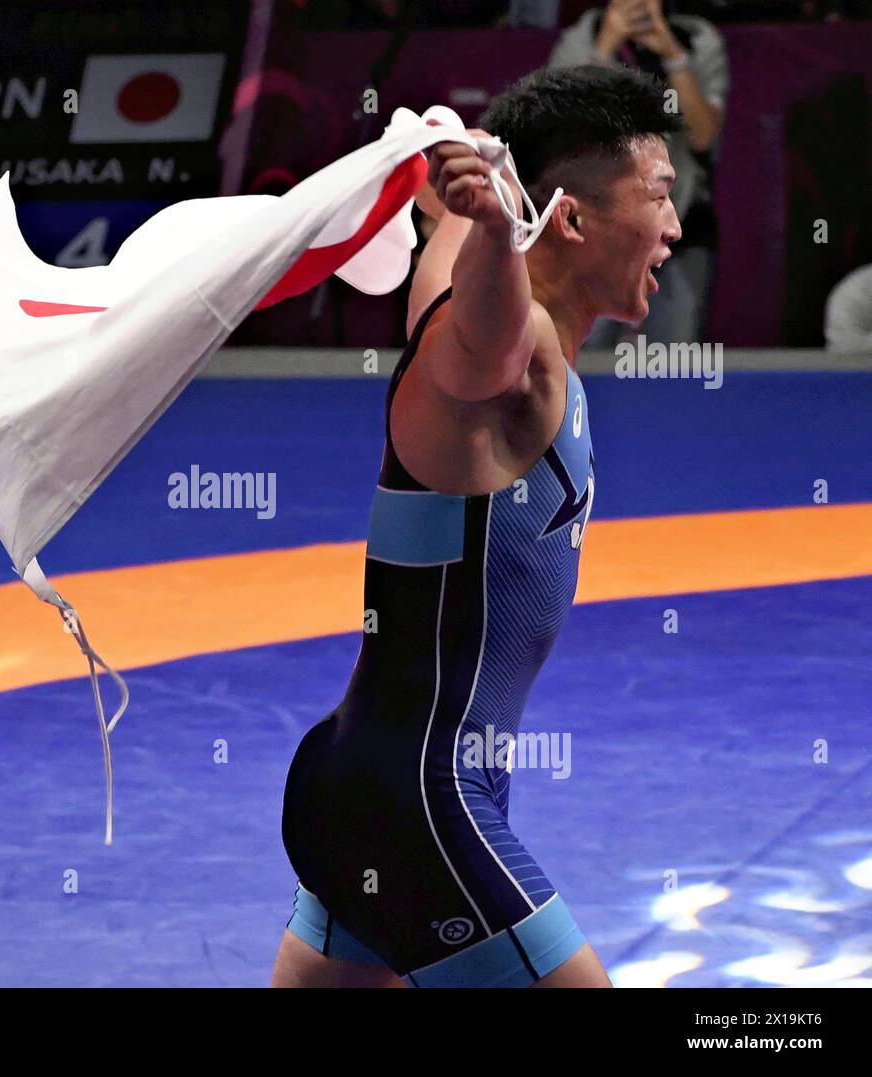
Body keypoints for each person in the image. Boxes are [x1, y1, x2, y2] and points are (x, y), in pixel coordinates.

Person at [272, 65, 682, 988]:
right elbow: (480, 332)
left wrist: (455, 161)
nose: (675, 226)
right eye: (659, 197)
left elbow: (444, 236)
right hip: (419, 803)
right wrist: (496, 232)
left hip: (366, 789)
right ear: (571, 219)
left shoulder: (504, 328)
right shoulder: (502, 358)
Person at [549, 0, 726, 346]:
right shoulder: (584, 37)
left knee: (672, 363)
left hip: (680, 229)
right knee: (584, 355)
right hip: (595, 235)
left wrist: (674, 56)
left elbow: (704, 135)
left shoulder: (697, 38)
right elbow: (561, 127)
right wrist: (604, 51)